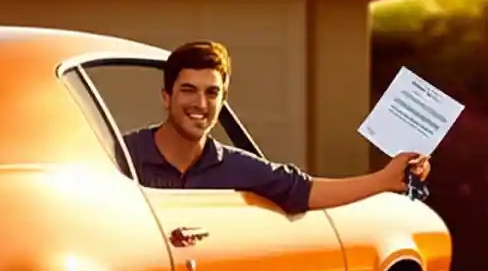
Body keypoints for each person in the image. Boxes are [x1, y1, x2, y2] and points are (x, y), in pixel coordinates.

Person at [121, 40, 431, 215]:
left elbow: (306, 190)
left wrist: (384, 179)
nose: (201, 103)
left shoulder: (236, 168)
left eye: (212, 93)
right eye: (188, 90)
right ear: (166, 97)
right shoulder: (120, 156)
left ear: (223, 100)